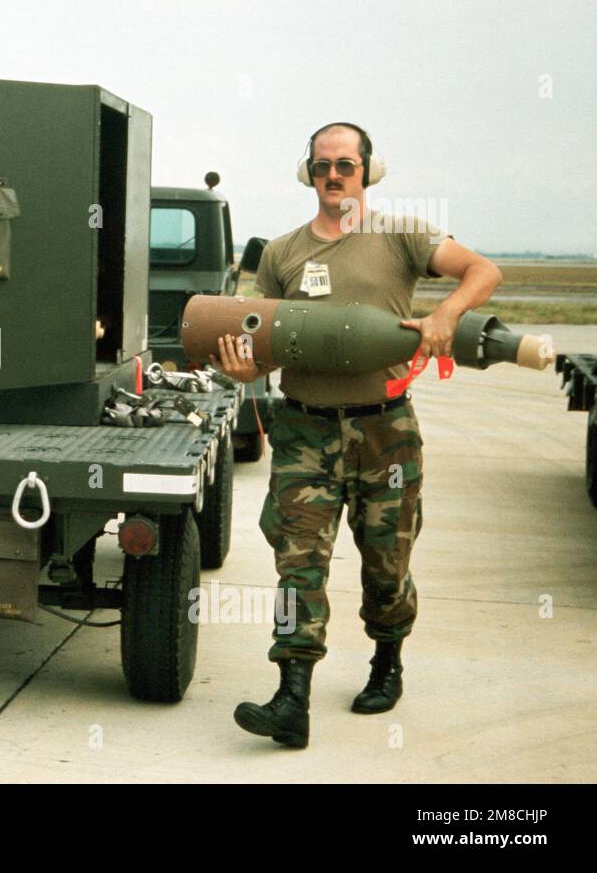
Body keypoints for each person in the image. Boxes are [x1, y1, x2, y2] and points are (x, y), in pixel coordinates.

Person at [212, 122, 502, 748]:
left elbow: (482, 270)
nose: (334, 175)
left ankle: (387, 657)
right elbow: (263, 343)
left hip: (385, 432)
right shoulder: (282, 253)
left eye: (346, 164)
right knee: (298, 567)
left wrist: (446, 312)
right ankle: (291, 698)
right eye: (322, 166)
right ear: (307, 173)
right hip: (303, 431)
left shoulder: (402, 235)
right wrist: (244, 366)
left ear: (367, 170)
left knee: (386, 567)